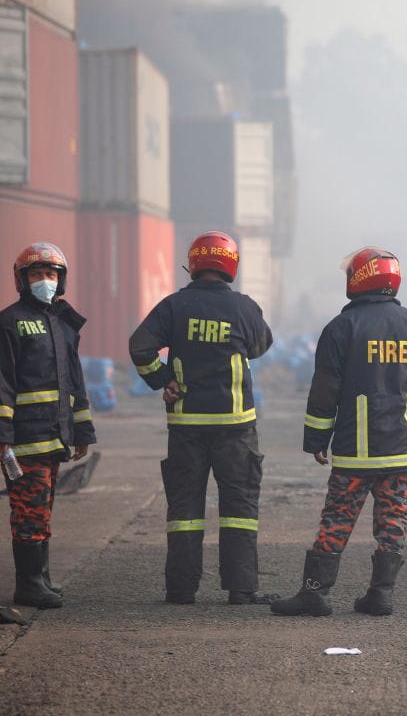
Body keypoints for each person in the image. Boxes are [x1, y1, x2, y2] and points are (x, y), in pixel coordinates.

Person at [272, 248, 407, 617]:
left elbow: (325, 389)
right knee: (392, 521)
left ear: (357, 280)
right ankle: (381, 595)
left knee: (338, 517)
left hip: (356, 451)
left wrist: (315, 439)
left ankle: (315, 593)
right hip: (402, 449)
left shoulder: (341, 328)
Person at [128, 231, 276, 605]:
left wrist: (161, 379)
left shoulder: (173, 306)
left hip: (186, 428)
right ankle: (241, 590)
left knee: (185, 510)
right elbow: (260, 346)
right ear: (231, 266)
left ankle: (181, 590)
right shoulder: (244, 307)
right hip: (235, 428)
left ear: (193, 264)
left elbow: (140, 346)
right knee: (239, 508)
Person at [0, 243, 96, 609]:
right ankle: (28, 585)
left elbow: (74, 382)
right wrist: (1, 438)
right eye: (36, 275)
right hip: (23, 439)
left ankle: (42, 578)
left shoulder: (63, 323)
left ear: (60, 280)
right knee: (28, 511)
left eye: (50, 274)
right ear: (22, 280)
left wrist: (81, 432)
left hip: (55, 436)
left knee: (43, 509)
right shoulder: (8, 322)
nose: (44, 280)